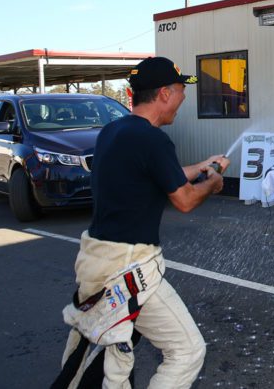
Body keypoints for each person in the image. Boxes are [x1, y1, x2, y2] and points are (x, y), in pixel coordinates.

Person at [55, 56, 231, 387]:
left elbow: (160, 176)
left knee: (108, 351)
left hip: (97, 262)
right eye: (181, 90)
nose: (183, 99)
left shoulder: (114, 131)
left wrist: (202, 166)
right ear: (165, 93)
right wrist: (214, 183)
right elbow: (185, 200)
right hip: (128, 268)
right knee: (187, 350)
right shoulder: (153, 139)